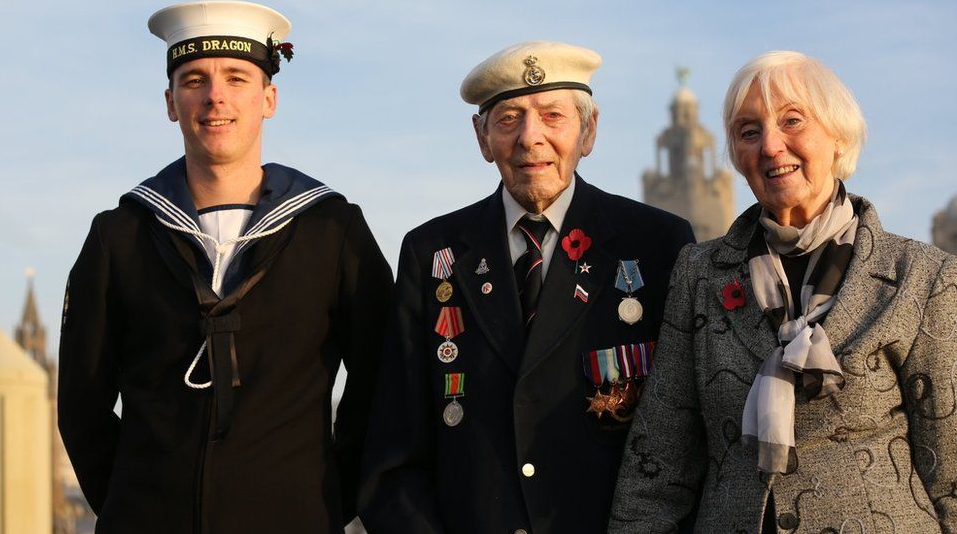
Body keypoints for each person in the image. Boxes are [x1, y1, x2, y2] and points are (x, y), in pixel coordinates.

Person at [58, 0, 393, 533]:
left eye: (237, 78)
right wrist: (135, 500)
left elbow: (382, 382)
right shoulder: (118, 236)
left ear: (269, 99)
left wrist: (330, 494)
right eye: (195, 79)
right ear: (171, 102)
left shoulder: (333, 231)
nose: (216, 97)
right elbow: (81, 402)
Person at [608, 50, 957, 533]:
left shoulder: (922, 275)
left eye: (792, 121)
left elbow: (952, 472)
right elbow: (660, 459)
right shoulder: (699, 273)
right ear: (736, 156)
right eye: (749, 132)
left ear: (838, 136)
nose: (771, 145)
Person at [360, 41, 695, 534]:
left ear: (589, 131)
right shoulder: (432, 252)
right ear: (482, 137)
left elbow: (688, 440)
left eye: (553, 116)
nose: (530, 138)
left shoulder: (658, 244)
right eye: (509, 118)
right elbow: (394, 454)